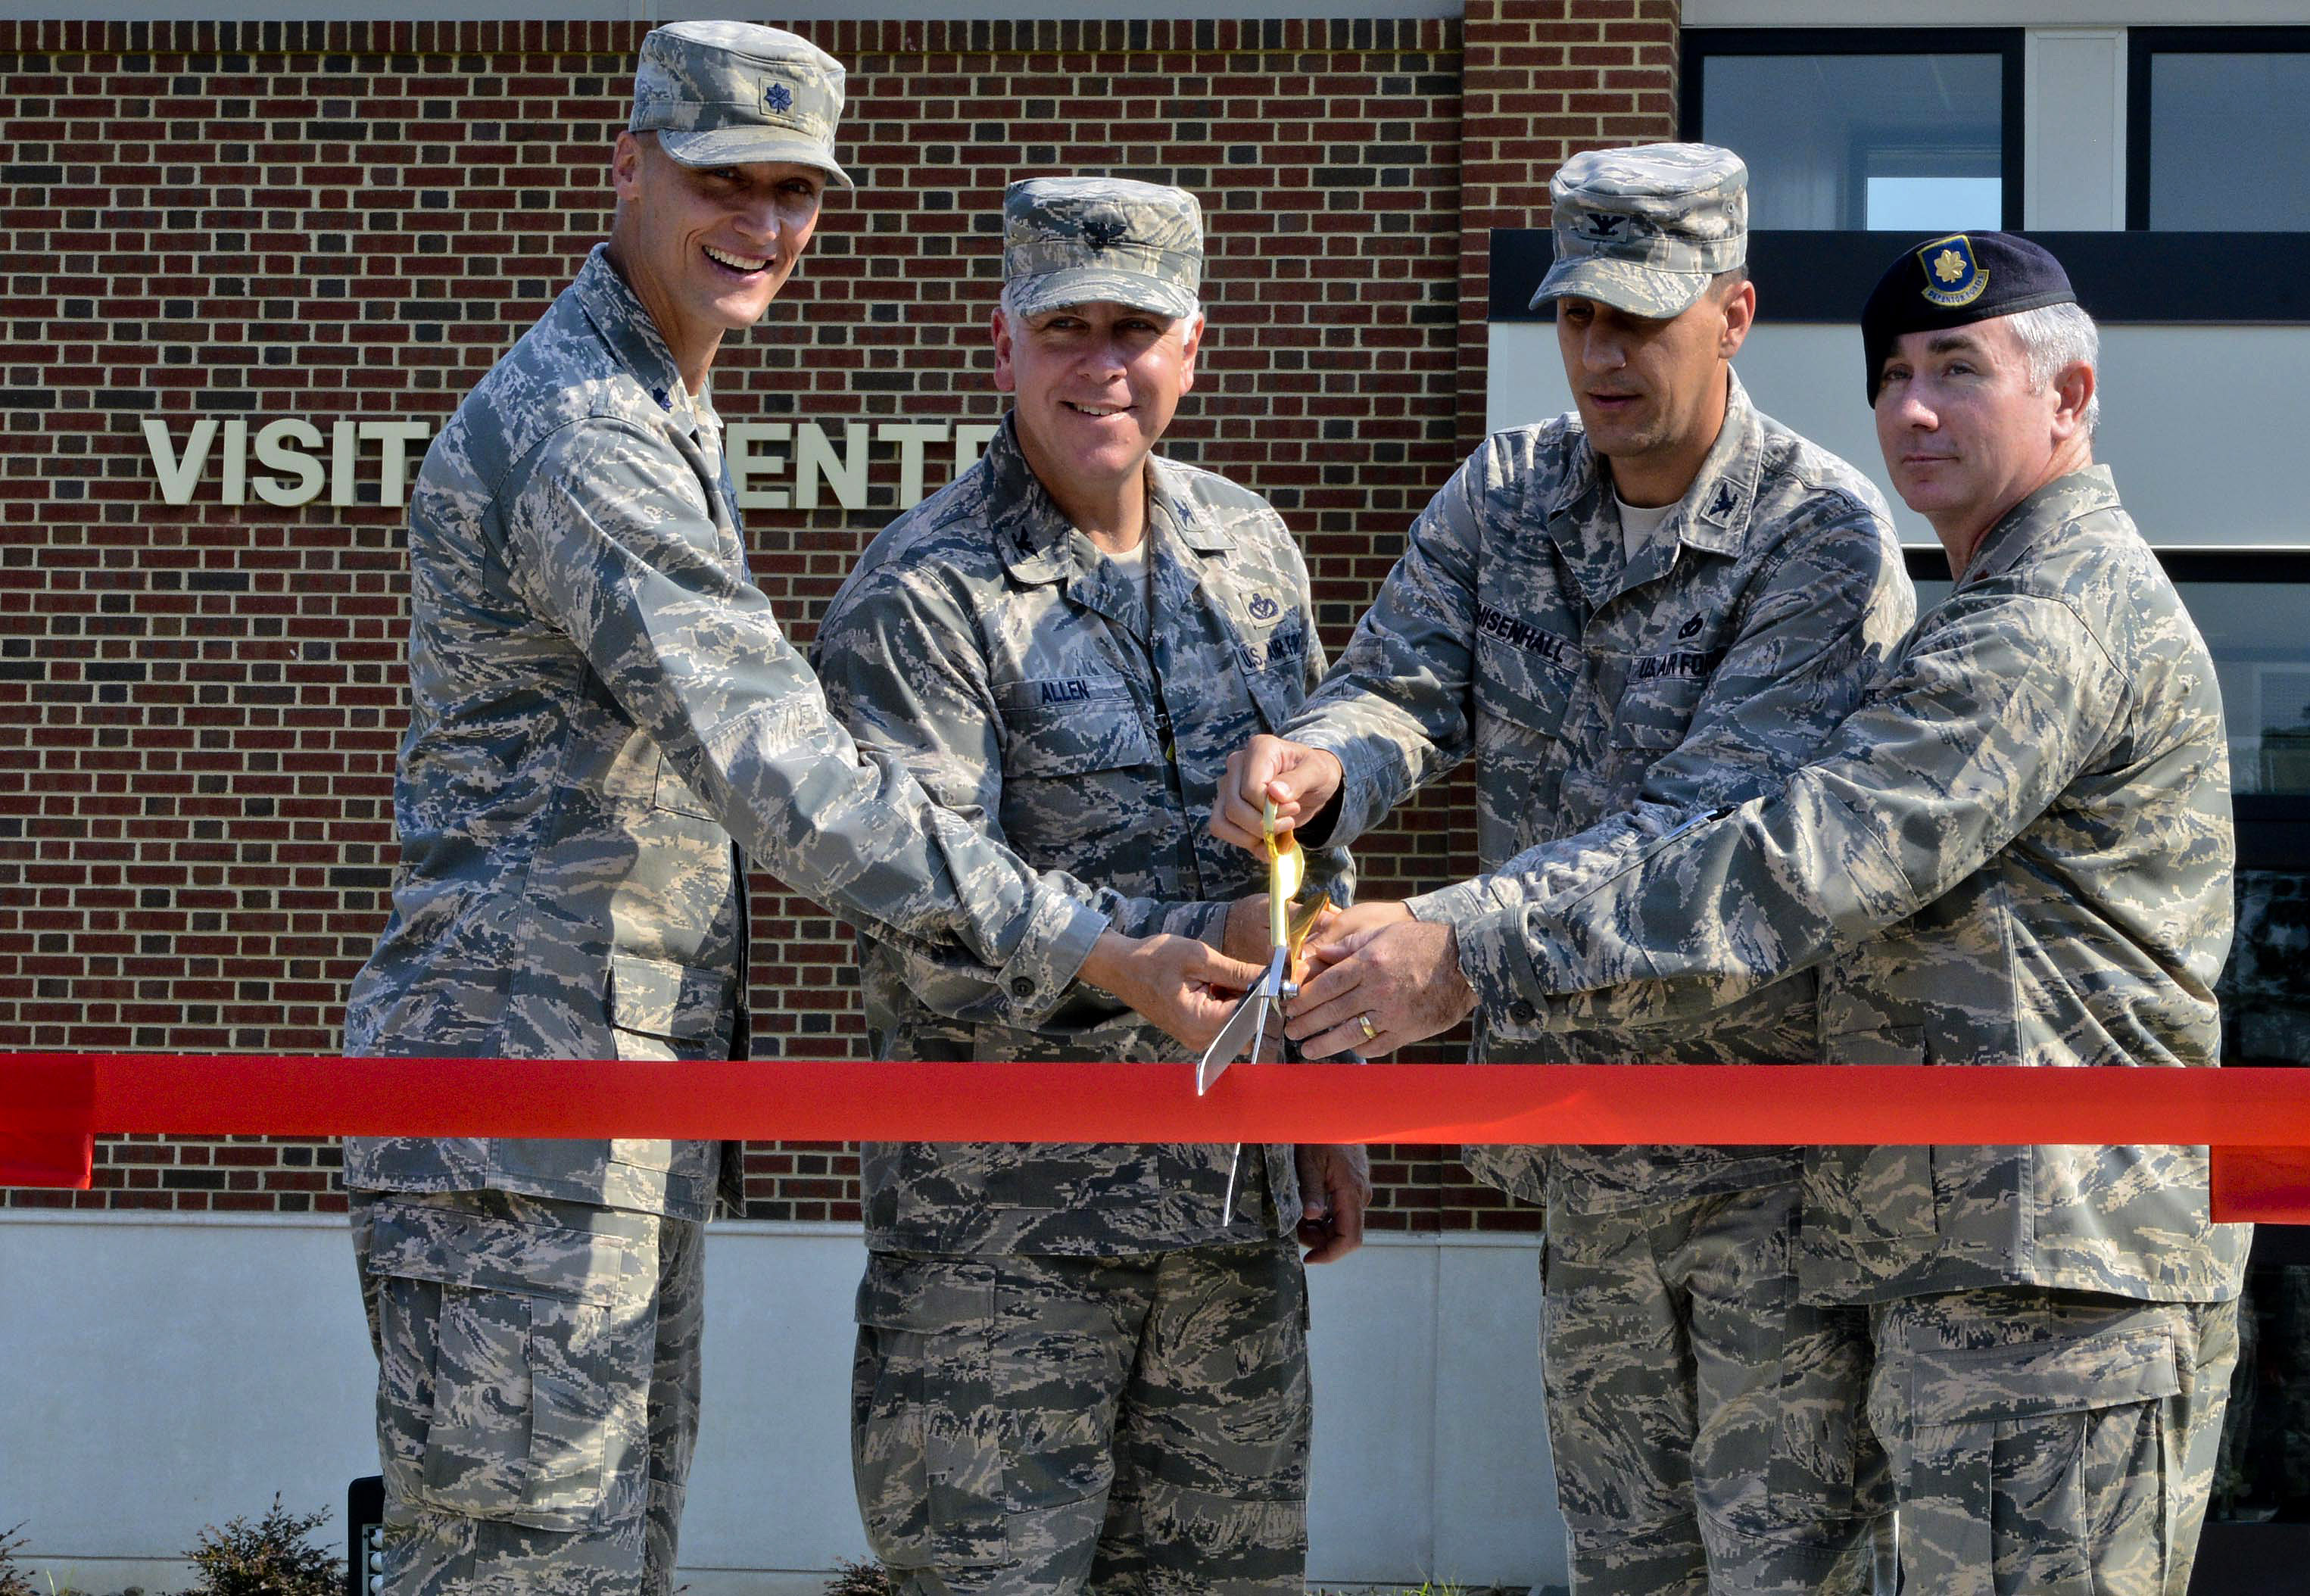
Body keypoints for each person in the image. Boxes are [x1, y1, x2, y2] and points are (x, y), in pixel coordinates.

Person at [340, 31, 1256, 1596]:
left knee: (601, 1552)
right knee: (523, 1563)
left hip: (602, 1092)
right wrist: (1102, 946)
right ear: (625, 167)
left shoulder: (655, 400)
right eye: (721, 181)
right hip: (528, 1092)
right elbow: (785, 771)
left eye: (793, 191)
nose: (761, 224)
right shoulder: (592, 435)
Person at [1296, 230, 2249, 1594]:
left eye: (1962, 371)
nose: (1914, 409)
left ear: (2071, 397)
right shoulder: (1989, 605)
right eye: (1895, 376)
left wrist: (1466, 954)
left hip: (2059, 1280)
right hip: (1981, 1264)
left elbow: (1799, 861)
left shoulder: (2046, 626)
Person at [1212, 143, 1911, 1594]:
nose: (1599, 354)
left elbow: (1707, 831)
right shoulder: (1511, 491)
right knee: (1628, 1566)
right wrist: (1328, 762)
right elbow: (1401, 684)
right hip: (1585, 1161)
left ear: (1734, 314)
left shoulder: (1818, 536)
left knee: (1792, 1571)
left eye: (1641, 319)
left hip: (1770, 1174)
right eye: (1577, 316)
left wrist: (1453, 948)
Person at [812, 175, 1370, 1596]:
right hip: (1003, 1255)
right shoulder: (923, 595)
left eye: (1138, 328)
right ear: (1004, 349)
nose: (1101, 364)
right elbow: (916, 917)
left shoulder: (1253, 557)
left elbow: (1315, 843)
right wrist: (1185, 941)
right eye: (1067, 329)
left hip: (1227, 1240)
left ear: (1193, 349)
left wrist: (1324, 1099)